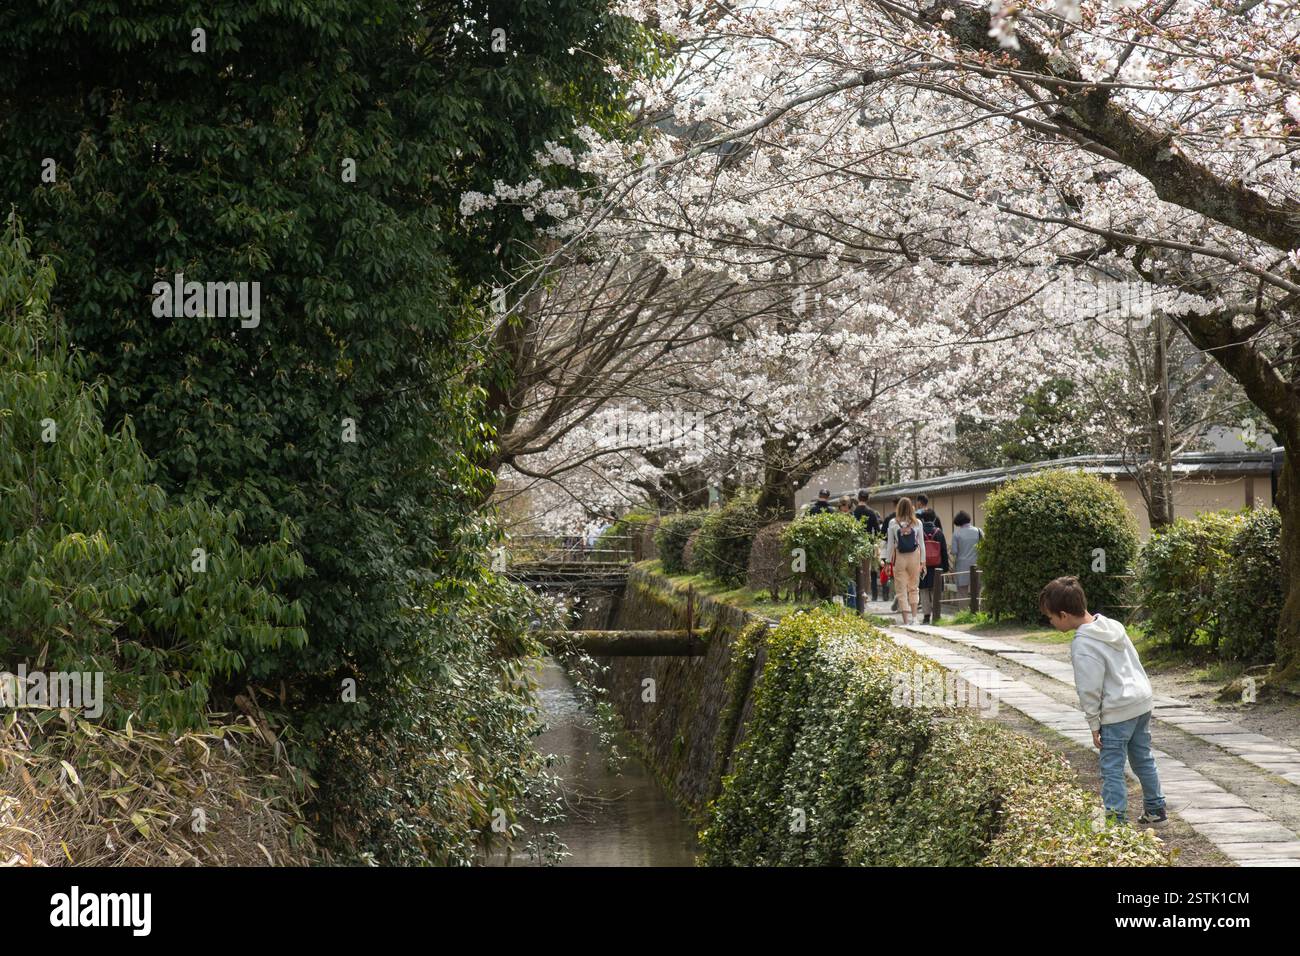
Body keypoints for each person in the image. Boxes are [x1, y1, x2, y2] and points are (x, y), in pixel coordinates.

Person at [1040, 576, 1167, 827]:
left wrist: (1094, 724)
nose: (1051, 622)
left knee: (1112, 767)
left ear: (1064, 615)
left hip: (1117, 711)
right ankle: (1155, 809)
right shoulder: (1112, 625)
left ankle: (1115, 820)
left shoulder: (1084, 644)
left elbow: (1089, 690)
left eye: (1051, 617)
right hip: (1141, 702)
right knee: (1143, 758)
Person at [884, 497, 925, 624]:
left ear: (898, 508)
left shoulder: (893, 523)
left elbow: (890, 544)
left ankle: (906, 621)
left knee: (901, 589)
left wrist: (887, 561)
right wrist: (923, 562)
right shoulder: (917, 523)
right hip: (914, 556)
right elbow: (922, 543)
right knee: (914, 587)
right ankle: (915, 618)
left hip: (899, 557)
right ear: (911, 508)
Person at [918, 513, 950, 624]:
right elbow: (944, 551)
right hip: (938, 567)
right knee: (936, 590)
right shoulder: (939, 532)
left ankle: (926, 615)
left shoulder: (919, 532)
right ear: (935, 518)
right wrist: (946, 567)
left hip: (923, 566)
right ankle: (936, 614)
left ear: (922, 519)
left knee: (924, 590)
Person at [853, 491, 882, 601]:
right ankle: (864, 594)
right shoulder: (871, 512)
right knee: (866, 571)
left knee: (855, 570)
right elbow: (878, 531)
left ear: (858, 498)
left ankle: (856, 593)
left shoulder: (853, 512)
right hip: (867, 545)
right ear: (868, 499)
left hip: (855, 545)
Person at [949, 510, 983, 598]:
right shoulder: (979, 531)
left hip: (962, 566)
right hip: (977, 564)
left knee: (962, 591)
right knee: (976, 590)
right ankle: (976, 610)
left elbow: (954, 551)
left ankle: (963, 611)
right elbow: (984, 547)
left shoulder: (956, 534)